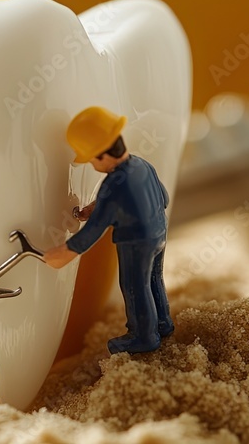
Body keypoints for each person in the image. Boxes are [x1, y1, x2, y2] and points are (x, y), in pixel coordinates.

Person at [43, 107, 173, 354]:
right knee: (155, 278)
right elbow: (163, 197)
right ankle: (163, 323)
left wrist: (65, 252)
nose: (92, 165)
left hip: (136, 242)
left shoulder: (112, 184)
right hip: (159, 231)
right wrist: (101, 206)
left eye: (91, 159)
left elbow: (94, 230)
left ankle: (144, 336)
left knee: (135, 286)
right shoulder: (142, 164)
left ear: (103, 155)